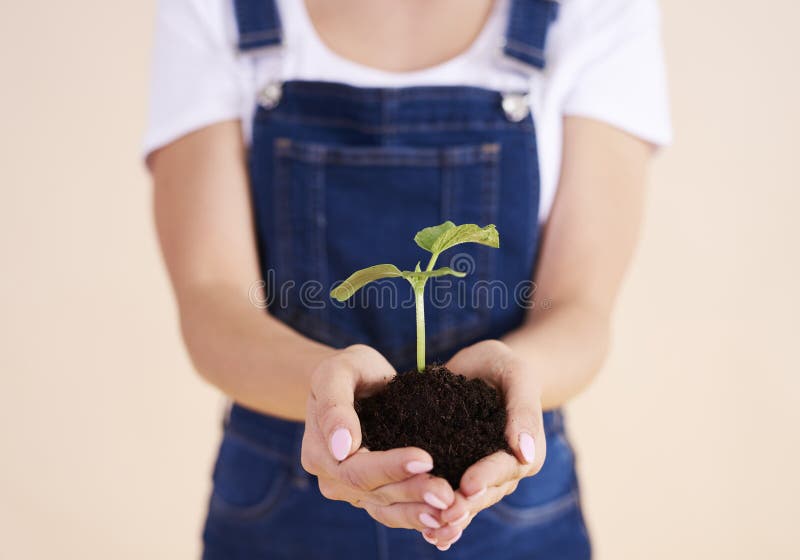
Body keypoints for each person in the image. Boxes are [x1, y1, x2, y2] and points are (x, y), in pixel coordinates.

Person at [145, 0, 671, 557]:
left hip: (504, 496)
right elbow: (212, 299)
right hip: (283, 498)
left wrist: (515, 383)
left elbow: (580, 308)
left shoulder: (598, 10)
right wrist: (329, 397)